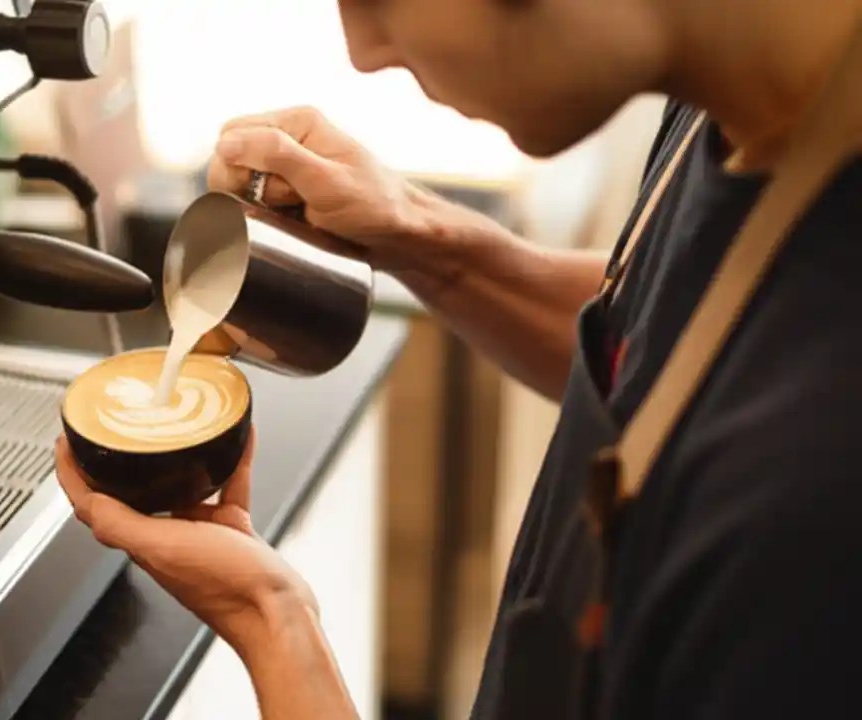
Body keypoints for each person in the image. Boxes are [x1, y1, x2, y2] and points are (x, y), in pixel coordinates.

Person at [55, 0, 862, 717]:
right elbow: (653, 339)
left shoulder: (810, 503)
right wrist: (423, 238)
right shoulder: (734, 98)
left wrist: (275, 628)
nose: (363, 48)